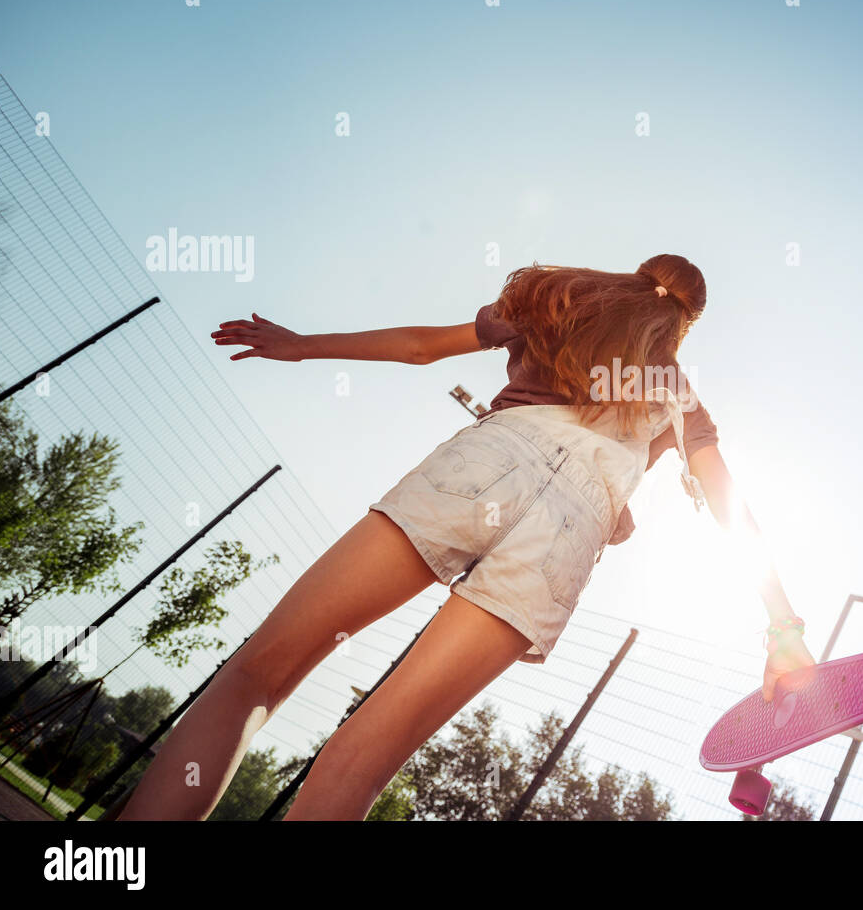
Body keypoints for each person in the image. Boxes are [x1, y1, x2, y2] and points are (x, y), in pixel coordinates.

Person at [117, 254, 815, 820]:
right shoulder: (677, 393)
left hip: (486, 467)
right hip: (565, 538)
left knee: (258, 676)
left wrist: (303, 348)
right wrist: (783, 628)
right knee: (369, 754)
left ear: (636, 278)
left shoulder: (563, 297)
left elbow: (423, 348)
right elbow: (726, 503)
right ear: (684, 324)